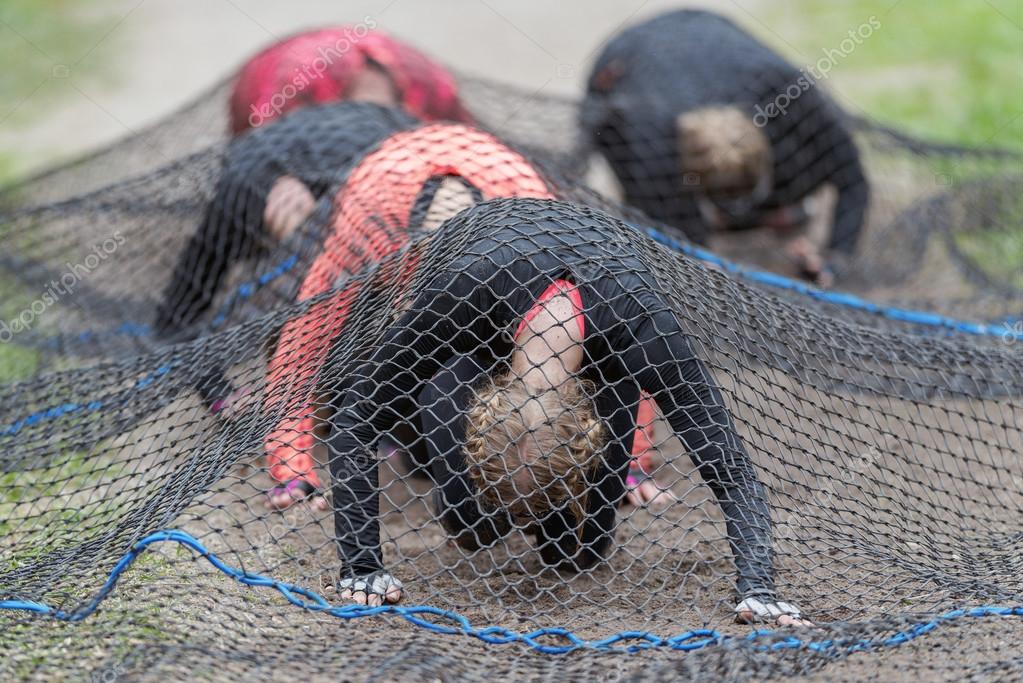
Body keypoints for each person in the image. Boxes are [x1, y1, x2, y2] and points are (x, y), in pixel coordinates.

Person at [323, 197, 806, 626]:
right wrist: (362, 567)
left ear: (588, 432)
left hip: (604, 330)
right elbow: (356, 417)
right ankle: (470, 497)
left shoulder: (645, 332)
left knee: (578, 552)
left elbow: (730, 468)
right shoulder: (461, 294)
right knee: (473, 524)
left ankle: (551, 512)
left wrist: (758, 589)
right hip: (483, 310)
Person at [258, 123, 665, 511]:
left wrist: (630, 463)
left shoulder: (537, 230)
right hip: (392, 192)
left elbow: (622, 331)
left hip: (500, 211)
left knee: (548, 355)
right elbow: (303, 345)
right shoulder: (367, 231)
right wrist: (292, 470)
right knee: (415, 446)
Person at [583, 9, 870, 286]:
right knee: (658, 224)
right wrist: (699, 258)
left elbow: (853, 180)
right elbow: (667, 224)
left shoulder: (791, 94)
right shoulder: (650, 146)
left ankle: (765, 213)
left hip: (709, 33)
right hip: (625, 59)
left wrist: (834, 259)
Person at [155, 102, 418, 338]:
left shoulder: (386, 126)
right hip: (273, 171)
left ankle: (171, 327)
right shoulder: (403, 138)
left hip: (271, 157)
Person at [229, 27, 472, 135]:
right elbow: (257, 137)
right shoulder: (296, 81)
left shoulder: (432, 90)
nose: (365, 121)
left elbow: (460, 139)